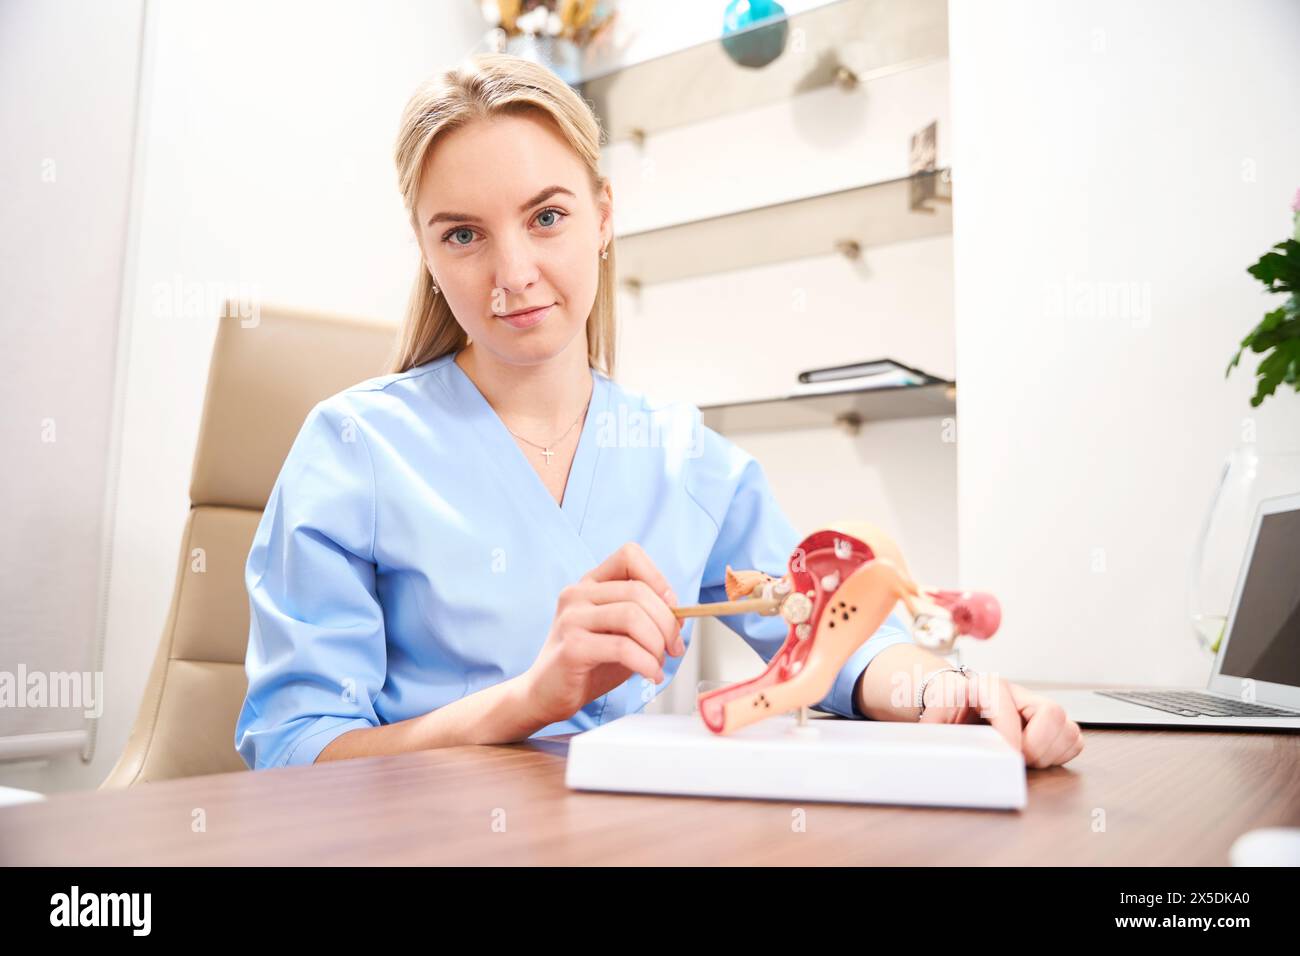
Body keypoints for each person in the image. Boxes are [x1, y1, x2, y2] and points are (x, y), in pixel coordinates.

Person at [234, 53, 1082, 772]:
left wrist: (941, 692)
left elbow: (831, 636)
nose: (515, 270)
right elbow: (297, 751)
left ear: (603, 217)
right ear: (426, 250)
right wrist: (528, 701)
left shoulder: (682, 457)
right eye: (463, 234)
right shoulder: (355, 448)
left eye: (548, 216)